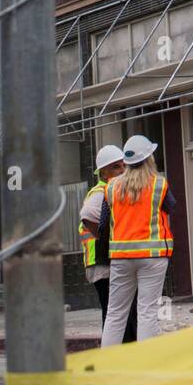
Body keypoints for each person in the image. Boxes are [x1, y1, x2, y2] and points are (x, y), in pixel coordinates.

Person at [98, 135, 176, 346]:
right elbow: (170, 207)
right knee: (147, 312)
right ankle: (145, 364)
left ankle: (108, 364)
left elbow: (103, 224)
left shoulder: (112, 187)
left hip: (121, 259)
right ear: (149, 158)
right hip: (153, 256)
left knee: (115, 313)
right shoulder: (159, 184)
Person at [79, 144, 138, 343]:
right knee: (115, 313)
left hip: (109, 261)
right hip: (102, 263)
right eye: (116, 167)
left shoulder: (115, 190)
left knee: (120, 312)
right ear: (103, 172)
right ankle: (118, 351)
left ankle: (124, 350)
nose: (122, 170)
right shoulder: (101, 192)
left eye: (123, 166)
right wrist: (108, 242)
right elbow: (87, 218)